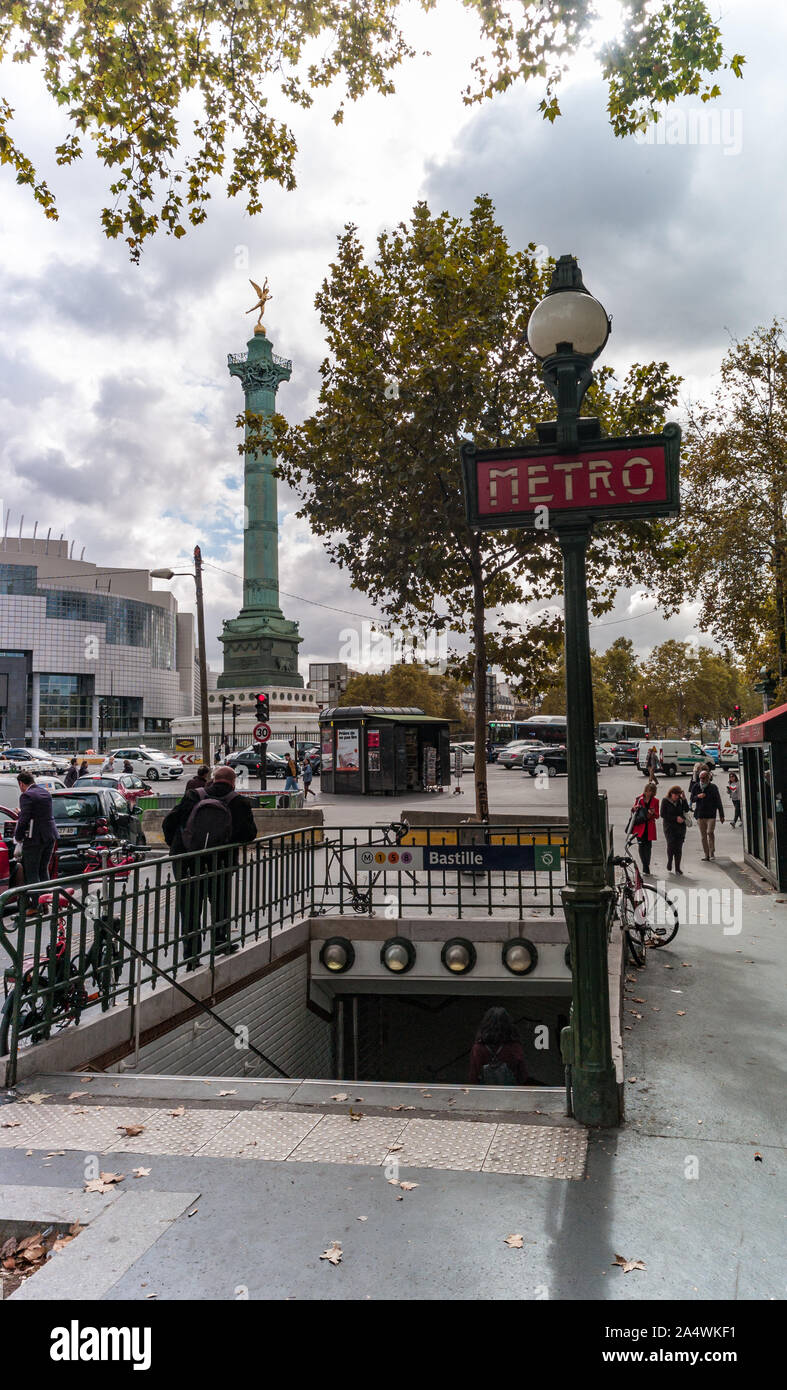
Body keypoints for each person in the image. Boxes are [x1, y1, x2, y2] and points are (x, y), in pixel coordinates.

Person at [163, 766, 256, 964]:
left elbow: (169, 822)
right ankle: (220, 941)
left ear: (213, 779)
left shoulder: (193, 796)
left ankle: (191, 955)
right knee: (220, 902)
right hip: (220, 863)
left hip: (187, 862)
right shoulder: (238, 802)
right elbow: (249, 834)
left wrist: (179, 847)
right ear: (233, 782)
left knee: (189, 908)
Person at [13, 770, 57, 903]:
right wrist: (23, 814)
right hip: (49, 836)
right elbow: (39, 815)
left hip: (34, 839)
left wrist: (18, 838)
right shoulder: (45, 793)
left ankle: (37, 905)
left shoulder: (27, 796)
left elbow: (24, 820)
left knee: (32, 872)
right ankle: (47, 902)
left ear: (21, 783)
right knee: (43, 870)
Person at [469, 1007, 529, 1085]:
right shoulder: (514, 1047)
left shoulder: (478, 1048)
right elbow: (523, 1075)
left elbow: (473, 1077)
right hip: (509, 1092)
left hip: (486, 1092)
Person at [690, 769, 724, 860]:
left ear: (708, 778)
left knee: (710, 832)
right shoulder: (696, 787)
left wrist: (721, 815)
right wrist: (698, 796)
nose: (702, 779)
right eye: (700, 778)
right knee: (703, 836)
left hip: (711, 814)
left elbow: (718, 801)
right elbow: (692, 799)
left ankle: (712, 852)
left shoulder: (713, 787)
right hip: (700, 815)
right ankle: (706, 854)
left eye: (704, 778)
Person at [630, 780, 660, 875]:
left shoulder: (656, 801)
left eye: (651, 791)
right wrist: (634, 808)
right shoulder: (639, 799)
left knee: (648, 847)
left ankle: (646, 865)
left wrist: (653, 813)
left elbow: (657, 815)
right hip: (640, 826)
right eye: (647, 791)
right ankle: (645, 866)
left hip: (649, 827)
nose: (648, 793)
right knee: (641, 846)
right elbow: (633, 810)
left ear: (653, 792)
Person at [661, 785, 690, 874]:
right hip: (669, 827)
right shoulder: (665, 801)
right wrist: (675, 818)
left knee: (679, 848)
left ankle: (677, 868)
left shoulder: (681, 800)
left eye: (679, 795)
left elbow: (686, 809)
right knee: (671, 845)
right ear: (671, 793)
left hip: (680, 827)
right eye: (676, 795)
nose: (677, 797)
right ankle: (670, 861)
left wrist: (684, 799)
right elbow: (662, 814)